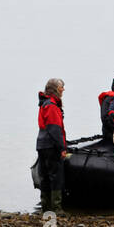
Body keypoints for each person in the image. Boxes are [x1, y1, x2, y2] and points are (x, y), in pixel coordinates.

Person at [36, 78, 69, 212]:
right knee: (56, 176)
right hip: (51, 146)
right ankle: (56, 208)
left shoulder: (43, 104)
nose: (63, 90)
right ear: (55, 89)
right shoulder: (52, 106)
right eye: (61, 87)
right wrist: (62, 148)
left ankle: (46, 207)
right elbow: (55, 129)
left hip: (41, 144)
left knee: (44, 176)